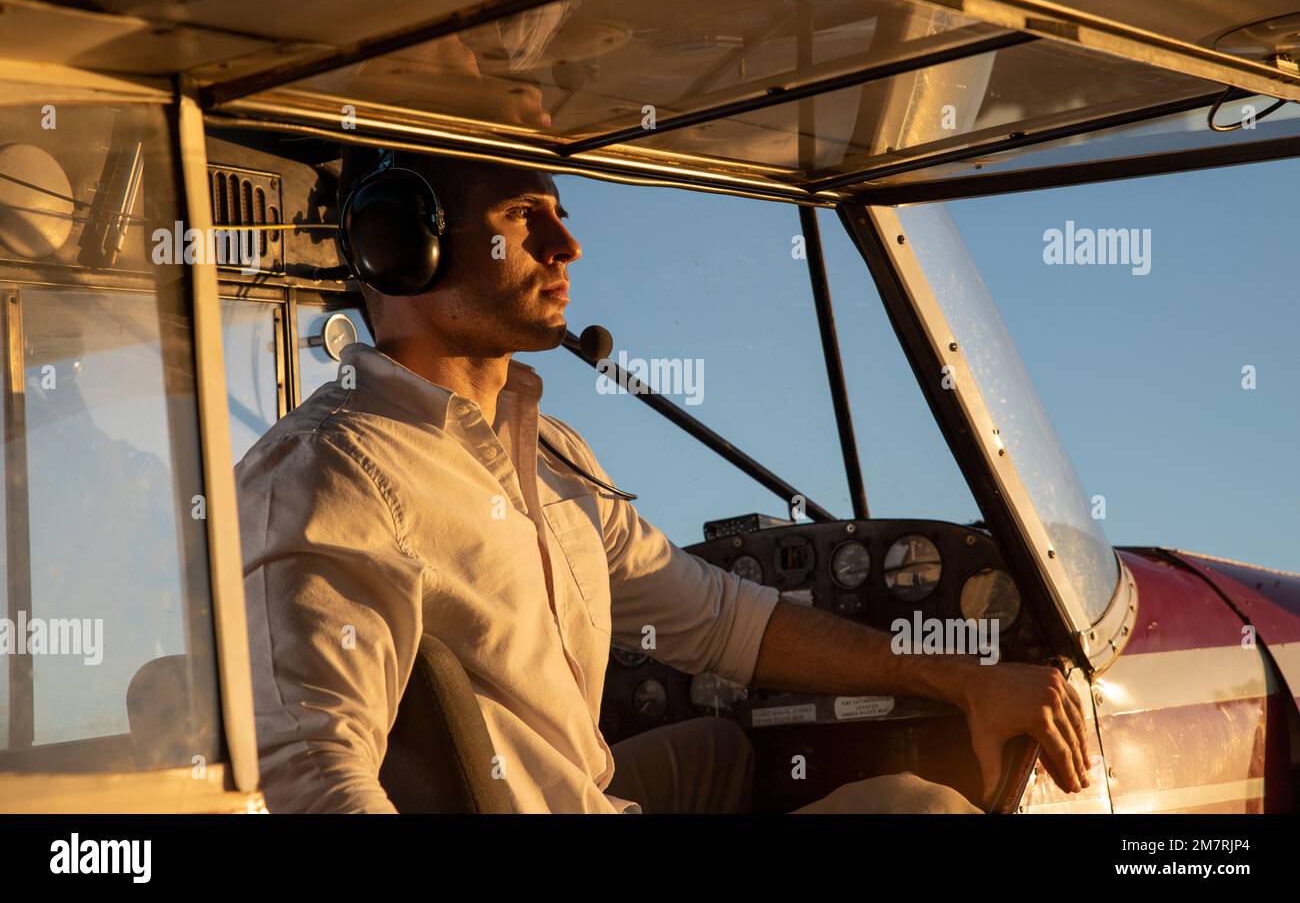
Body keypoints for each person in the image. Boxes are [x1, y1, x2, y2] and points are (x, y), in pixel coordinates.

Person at [234, 146, 1092, 813]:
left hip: (583, 792)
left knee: (719, 748)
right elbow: (312, 771)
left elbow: (721, 622)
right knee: (918, 807)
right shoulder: (333, 469)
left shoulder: (550, 453)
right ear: (401, 247)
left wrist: (964, 677)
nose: (568, 243)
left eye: (559, 214)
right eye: (524, 214)